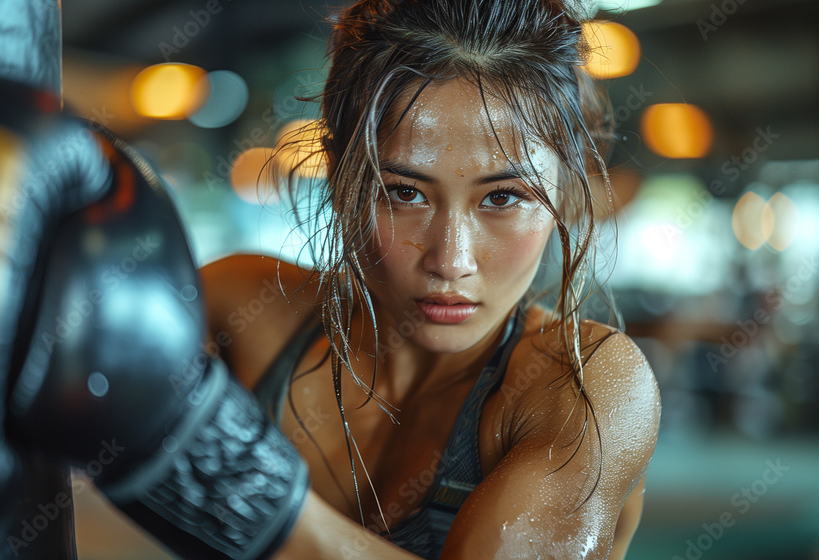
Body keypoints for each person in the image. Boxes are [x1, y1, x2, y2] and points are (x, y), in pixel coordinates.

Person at [200, 0, 661, 558]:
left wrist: (260, 501)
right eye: (404, 192)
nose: (451, 260)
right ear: (339, 176)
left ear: (566, 188)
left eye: (503, 197)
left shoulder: (588, 384)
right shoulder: (242, 310)